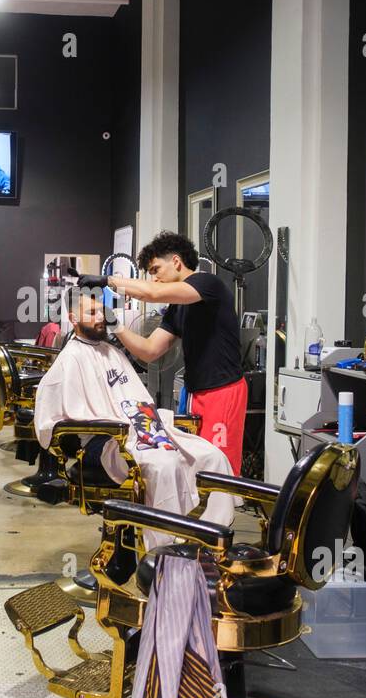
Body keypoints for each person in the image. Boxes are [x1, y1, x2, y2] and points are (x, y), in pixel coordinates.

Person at [34, 287, 236, 551]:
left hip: (143, 429)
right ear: (73, 318)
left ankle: (209, 544)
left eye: (102, 311)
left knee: (213, 457)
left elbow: (137, 397)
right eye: (92, 312)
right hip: (104, 442)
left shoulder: (111, 351)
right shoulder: (70, 359)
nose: (100, 318)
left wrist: (149, 427)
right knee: (165, 464)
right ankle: (161, 555)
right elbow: (49, 422)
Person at [78, 231, 248, 475]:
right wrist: (113, 322)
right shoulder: (177, 307)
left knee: (219, 468)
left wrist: (108, 281)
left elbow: (151, 293)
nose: (154, 279)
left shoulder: (208, 284)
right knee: (193, 464)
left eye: (156, 270)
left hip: (222, 391)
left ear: (176, 262)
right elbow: (149, 351)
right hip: (193, 393)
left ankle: (222, 512)